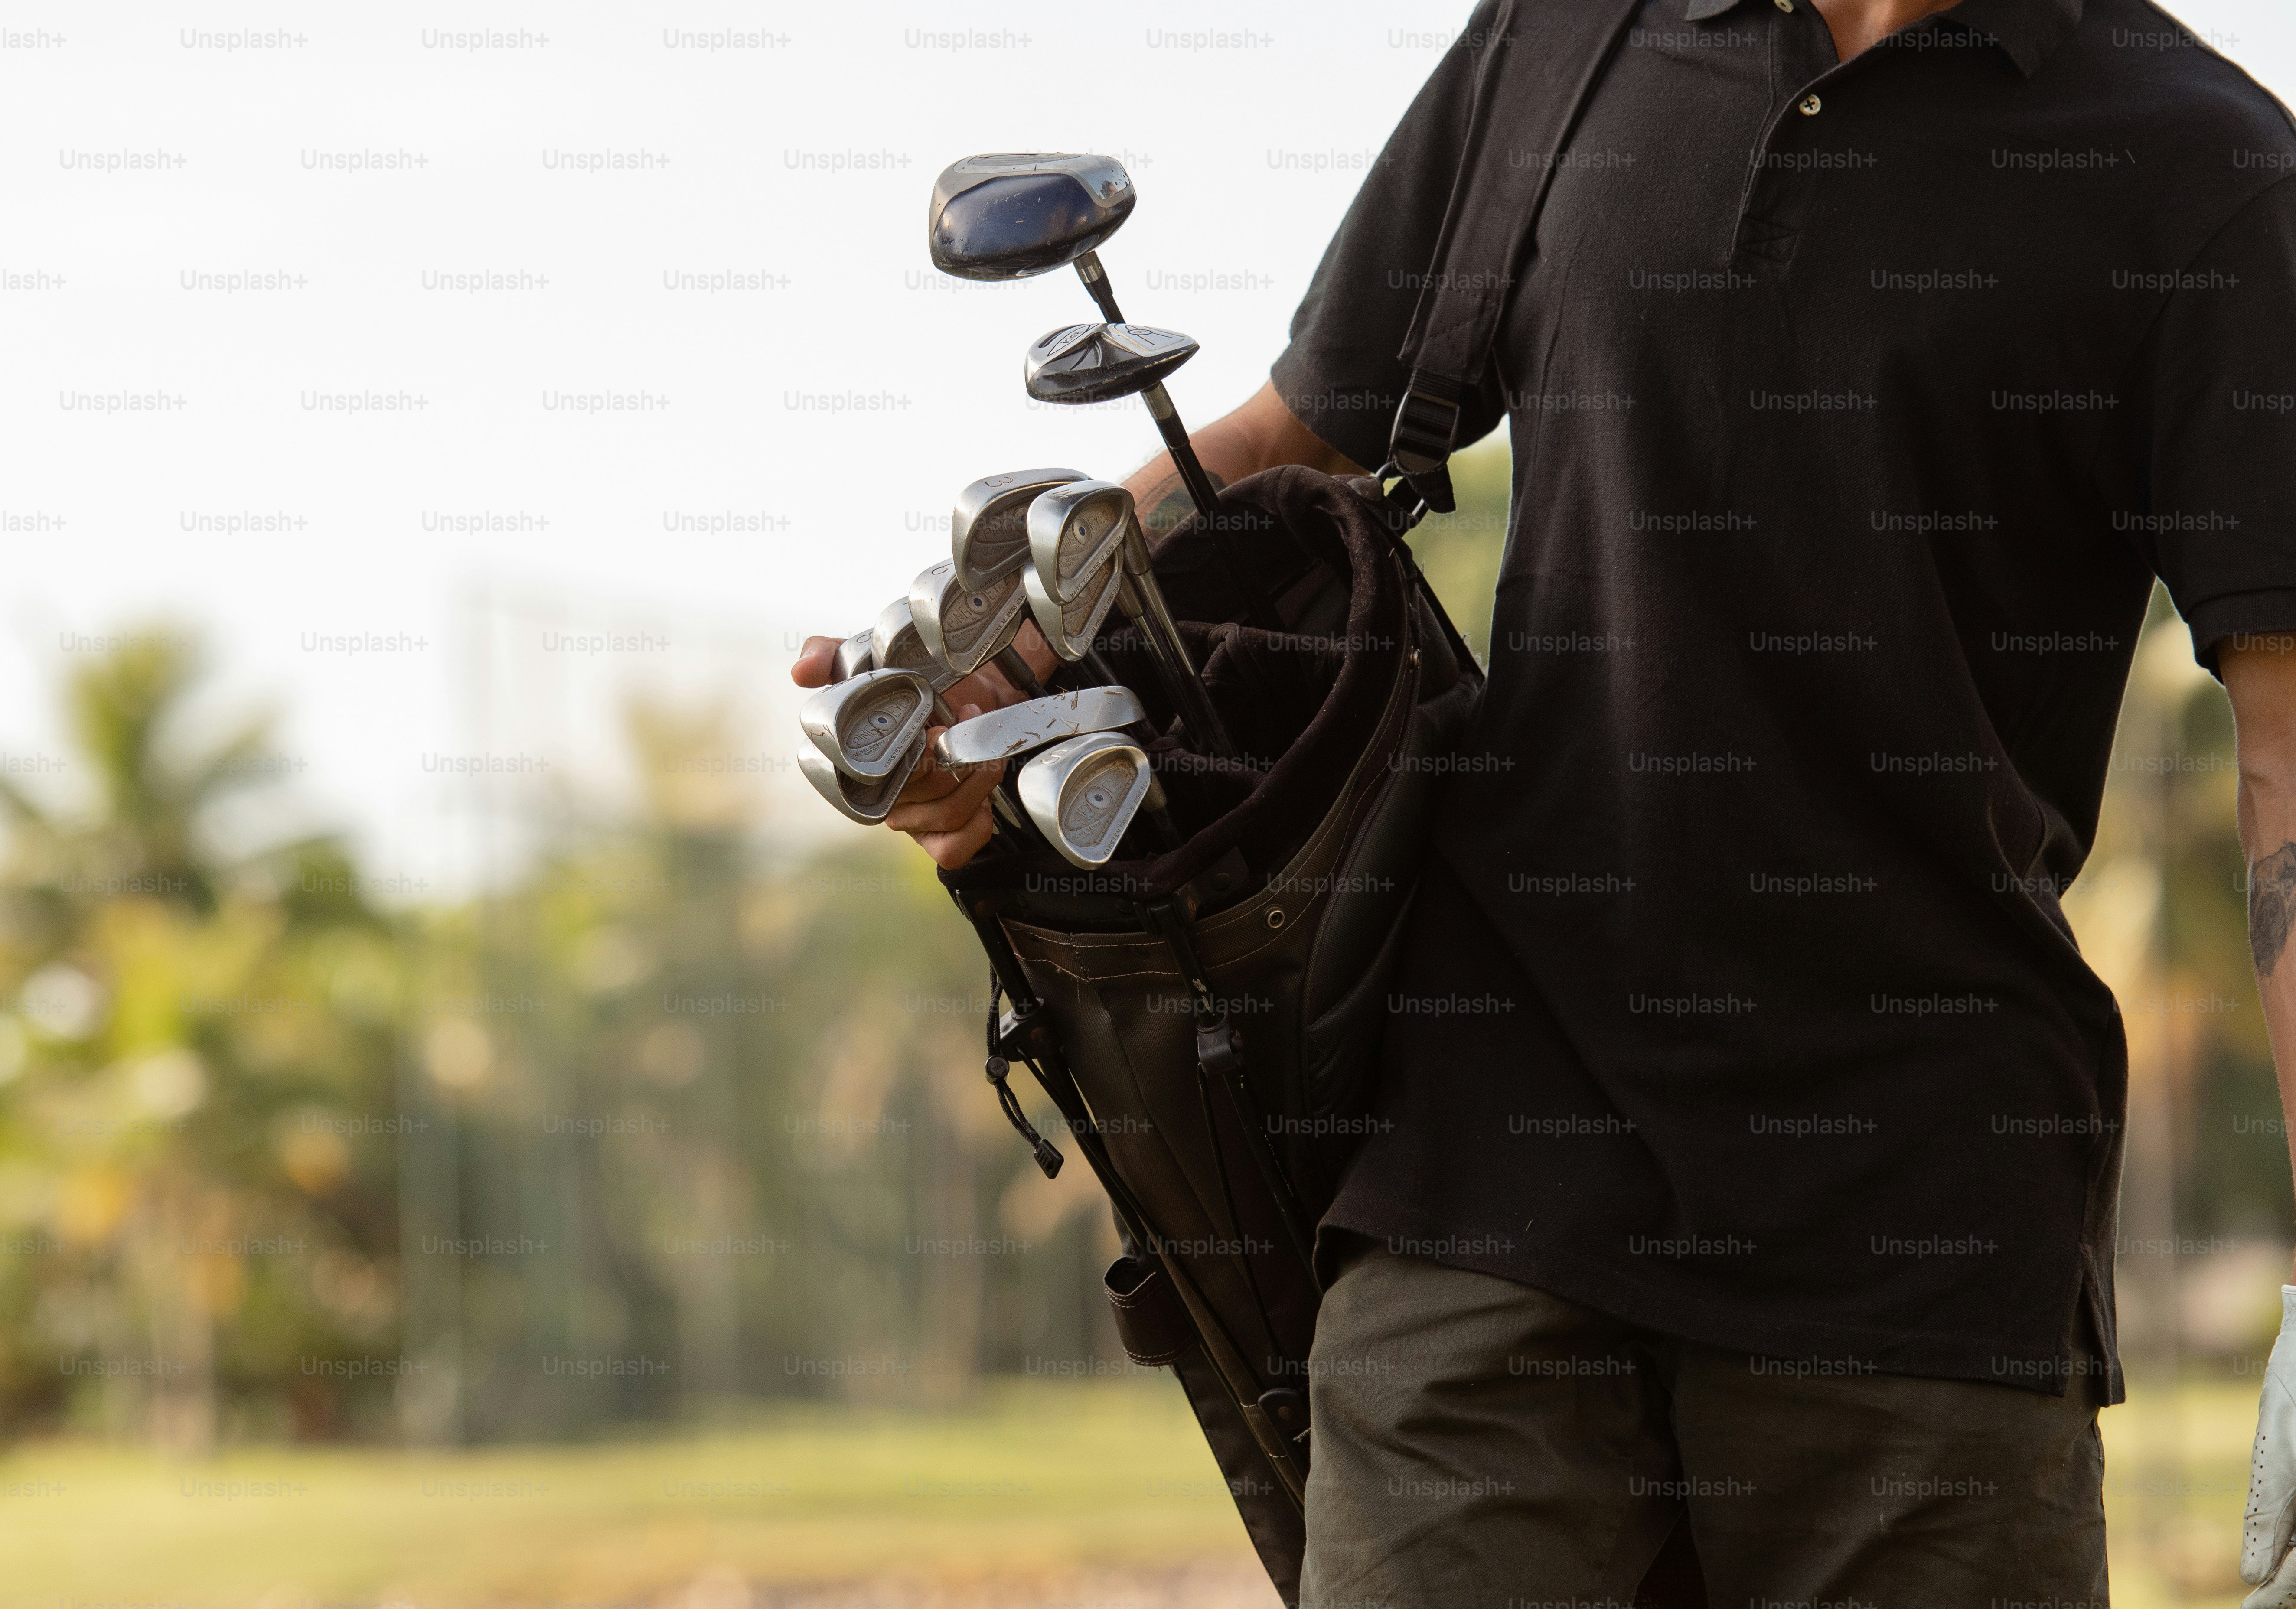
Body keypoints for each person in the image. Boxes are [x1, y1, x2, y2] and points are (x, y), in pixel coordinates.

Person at [796, 0, 2296, 1599]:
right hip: (1488, 1174)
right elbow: (1294, 431)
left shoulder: (2206, 168)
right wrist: (992, 672)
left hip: (1925, 1245)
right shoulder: (1571, 35)